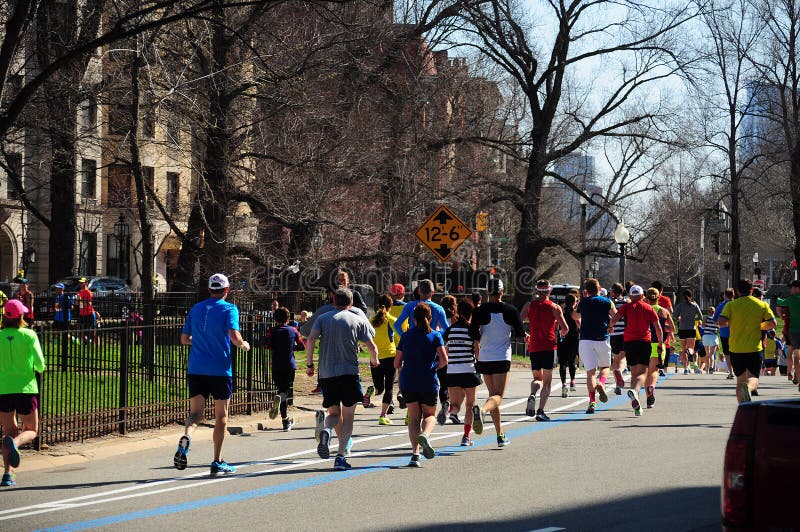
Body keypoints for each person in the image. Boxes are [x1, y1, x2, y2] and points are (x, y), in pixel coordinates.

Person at [174, 273, 251, 476]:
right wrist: (243, 344)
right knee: (221, 416)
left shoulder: (196, 308)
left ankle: (187, 436)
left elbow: (184, 339)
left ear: (209, 290)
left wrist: (200, 341)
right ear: (227, 290)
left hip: (196, 369)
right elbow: (234, 336)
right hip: (219, 370)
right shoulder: (229, 309)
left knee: (195, 414)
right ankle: (217, 460)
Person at [305, 289, 378, 471]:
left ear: (334, 302)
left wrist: (310, 364)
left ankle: (326, 430)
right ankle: (340, 456)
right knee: (349, 417)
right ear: (351, 303)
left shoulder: (323, 318)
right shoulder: (357, 319)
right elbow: (372, 346)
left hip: (327, 373)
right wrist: (374, 361)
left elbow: (311, 339)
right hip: (349, 372)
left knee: (334, 414)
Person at [470, 278, 527, 447]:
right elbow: (520, 332)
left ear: (487, 292)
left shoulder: (479, 311)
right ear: (502, 292)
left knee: (492, 396)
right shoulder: (510, 310)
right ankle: (482, 411)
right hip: (502, 357)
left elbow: (473, 333)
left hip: (485, 357)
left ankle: (500, 435)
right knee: (498, 397)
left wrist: (481, 339)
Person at [395, 303, 448, 467]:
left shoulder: (406, 336)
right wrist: (435, 367)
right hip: (428, 381)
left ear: (413, 319)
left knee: (414, 418)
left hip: (409, 381)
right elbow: (444, 360)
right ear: (430, 318)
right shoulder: (435, 336)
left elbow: (397, 362)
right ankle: (425, 434)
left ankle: (415, 454)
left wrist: (403, 368)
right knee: (429, 415)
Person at [0, 300, 45, 487]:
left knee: (9, 432)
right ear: (20, 316)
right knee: (32, 430)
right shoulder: (29, 335)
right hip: (26, 388)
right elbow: (40, 364)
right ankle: (16, 444)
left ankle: (7, 474)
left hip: (3, 389)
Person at [717, 279, 776, 403]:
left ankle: (743, 409)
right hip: (754, 348)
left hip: (736, 348)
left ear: (737, 291)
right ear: (752, 290)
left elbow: (721, 322)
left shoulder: (731, 305)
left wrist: (732, 323)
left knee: (740, 380)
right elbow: (773, 323)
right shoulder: (761, 304)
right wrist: (759, 326)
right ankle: (748, 388)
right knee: (754, 379)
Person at [608, 285, 663, 416]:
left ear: (630, 296)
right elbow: (658, 327)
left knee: (634, 373)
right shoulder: (648, 307)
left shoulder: (626, 307)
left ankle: (637, 405)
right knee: (643, 372)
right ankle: (635, 390)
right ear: (642, 296)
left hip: (629, 342)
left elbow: (615, 317)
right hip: (644, 342)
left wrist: (610, 326)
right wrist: (660, 343)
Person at [521, 279, 568, 421]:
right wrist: (561, 332)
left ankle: (532, 394)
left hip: (534, 346)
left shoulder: (529, 305)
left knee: (537, 379)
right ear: (549, 290)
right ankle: (540, 411)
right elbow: (565, 328)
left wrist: (525, 334)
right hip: (549, 347)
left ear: (537, 291)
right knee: (547, 382)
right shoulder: (554, 307)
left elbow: (518, 322)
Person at [442, 298, 482, 445]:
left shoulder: (450, 330)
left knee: (456, 405)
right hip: (469, 371)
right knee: (469, 406)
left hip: (452, 371)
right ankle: (466, 437)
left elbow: (445, 350)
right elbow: (477, 353)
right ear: (471, 313)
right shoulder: (472, 330)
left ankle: (449, 409)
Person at [573, 278, 615, 414]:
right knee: (605, 367)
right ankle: (601, 383)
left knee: (590, 373)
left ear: (587, 290)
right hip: (602, 338)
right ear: (599, 288)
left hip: (586, 339)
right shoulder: (607, 301)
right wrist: (610, 325)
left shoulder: (584, 302)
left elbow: (575, 316)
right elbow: (615, 315)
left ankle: (592, 402)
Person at [264, 306, 305, 431]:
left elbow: (267, 345)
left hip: (277, 365)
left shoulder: (272, 331)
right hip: (289, 365)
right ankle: (285, 421)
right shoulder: (293, 330)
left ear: (275, 319)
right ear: (288, 318)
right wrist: (292, 348)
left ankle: (280, 402)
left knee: (280, 389)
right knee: (285, 392)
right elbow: (302, 346)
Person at [369, 295, 398, 425]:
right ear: (390, 306)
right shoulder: (392, 320)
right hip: (390, 357)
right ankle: (382, 415)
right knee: (389, 387)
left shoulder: (371, 321)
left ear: (377, 306)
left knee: (379, 388)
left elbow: (364, 339)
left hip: (374, 357)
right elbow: (400, 337)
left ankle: (370, 392)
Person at [643, 288, 675, 407]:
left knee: (646, 372)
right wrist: (664, 329)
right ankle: (652, 387)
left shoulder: (644, 310)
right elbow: (673, 328)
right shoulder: (664, 311)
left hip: (645, 343)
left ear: (647, 298)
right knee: (654, 371)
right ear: (658, 297)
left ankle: (648, 398)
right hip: (659, 344)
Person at [672, 289, 704, 375]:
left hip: (682, 329)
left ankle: (686, 368)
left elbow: (674, 316)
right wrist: (693, 319)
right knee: (691, 349)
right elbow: (701, 317)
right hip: (691, 329)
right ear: (691, 296)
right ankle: (688, 354)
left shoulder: (680, 306)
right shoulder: (695, 305)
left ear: (683, 297)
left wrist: (679, 318)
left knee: (683, 349)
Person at [776, 280, 800, 390]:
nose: (791, 290)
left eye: (792, 288)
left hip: (794, 331)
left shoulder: (791, 299)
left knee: (796, 356)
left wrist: (777, 298)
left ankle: (798, 378)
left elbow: (780, 302)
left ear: (797, 288)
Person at [558, 293, 580, 397]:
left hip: (562, 338)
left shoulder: (561, 312)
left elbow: (557, 324)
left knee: (562, 362)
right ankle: (572, 381)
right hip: (573, 338)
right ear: (574, 303)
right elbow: (579, 324)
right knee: (572, 361)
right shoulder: (574, 313)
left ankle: (563, 384)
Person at [608, 283, 628, 395]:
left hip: (614, 333)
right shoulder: (627, 302)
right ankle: (620, 371)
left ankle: (617, 385)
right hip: (625, 333)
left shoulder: (610, 302)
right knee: (623, 357)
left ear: (613, 291)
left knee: (615, 359)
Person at [713, 288, 736, 380]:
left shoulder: (721, 306)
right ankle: (739, 371)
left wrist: (721, 324)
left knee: (727, 353)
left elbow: (715, 320)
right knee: (736, 352)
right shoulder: (737, 305)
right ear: (733, 295)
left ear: (725, 295)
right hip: (736, 332)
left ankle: (731, 372)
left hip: (724, 333)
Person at [701, 307, 720, 373]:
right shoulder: (716, 318)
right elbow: (719, 327)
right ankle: (711, 367)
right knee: (712, 354)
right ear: (714, 312)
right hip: (713, 336)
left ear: (708, 311)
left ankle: (707, 369)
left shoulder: (706, 317)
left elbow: (703, 326)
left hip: (706, 336)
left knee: (707, 353)